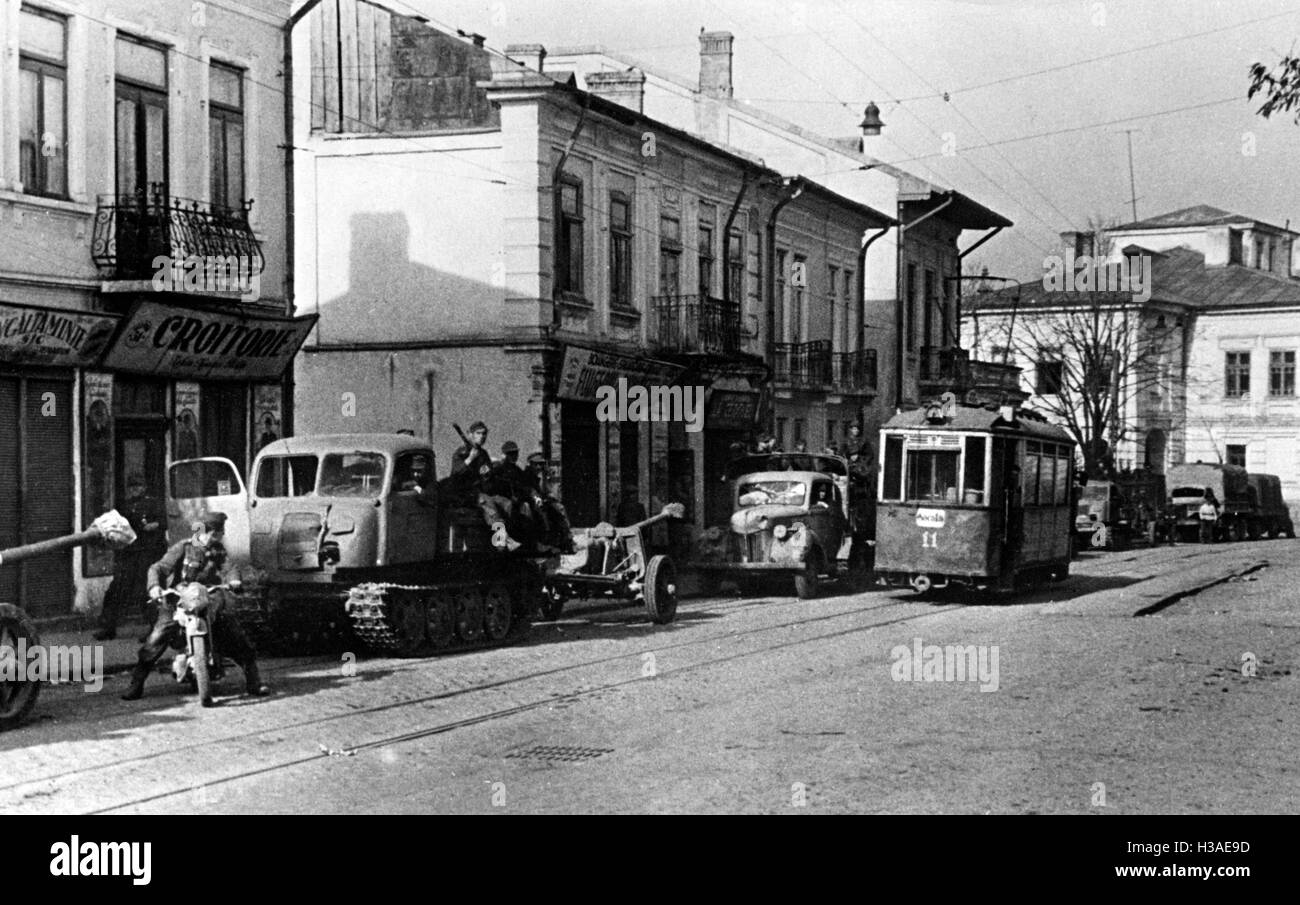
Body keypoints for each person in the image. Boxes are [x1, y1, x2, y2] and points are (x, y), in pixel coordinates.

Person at [121, 511, 269, 705]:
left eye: (220, 533)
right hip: (178, 601)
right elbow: (158, 568)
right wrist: (155, 587)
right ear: (205, 532)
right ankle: (136, 684)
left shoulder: (218, 551)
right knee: (156, 639)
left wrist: (234, 581)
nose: (220, 537)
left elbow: (229, 567)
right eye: (217, 533)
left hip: (207, 600)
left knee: (237, 635)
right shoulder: (184, 548)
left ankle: (254, 683)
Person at [94, 473, 166, 641]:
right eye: (132, 487)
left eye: (138, 486)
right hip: (128, 553)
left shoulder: (153, 504)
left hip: (148, 553)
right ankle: (108, 628)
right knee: (116, 589)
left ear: (144, 487)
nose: (135, 490)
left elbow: (164, 522)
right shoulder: (124, 507)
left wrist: (154, 525)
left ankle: (155, 631)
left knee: (146, 591)